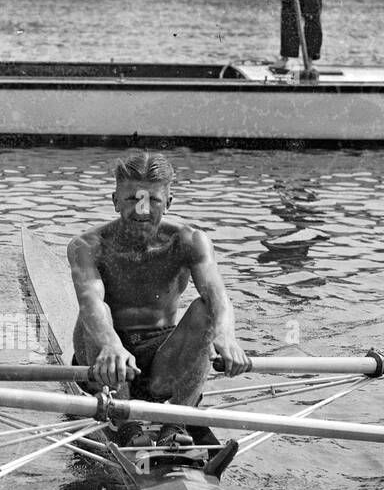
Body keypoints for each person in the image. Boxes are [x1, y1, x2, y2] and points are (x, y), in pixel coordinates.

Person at [66, 151, 250, 448]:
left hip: (160, 360)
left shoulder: (189, 241)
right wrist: (111, 345)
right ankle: (125, 422)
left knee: (206, 312)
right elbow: (92, 303)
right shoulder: (87, 246)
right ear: (114, 201)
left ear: (169, 202)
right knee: (94, 316)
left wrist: (227, 337)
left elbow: (218, 298)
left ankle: (176, 421)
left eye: (153, 199)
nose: (142, 210)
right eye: (131, 200)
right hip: (104, 357)